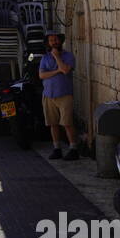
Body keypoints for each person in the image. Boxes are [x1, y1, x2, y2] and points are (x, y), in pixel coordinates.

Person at [38, 32, 78, 160]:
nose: (54, 42)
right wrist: (56, 71)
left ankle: (73, 149)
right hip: (49, 95)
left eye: (56, 40)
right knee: (53, 123)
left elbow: (66, 70)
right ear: (48, 43)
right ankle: (57, 148)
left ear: (60, 41)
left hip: (65, 94)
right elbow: (42, 75)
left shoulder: (68, 56)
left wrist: (57, 57)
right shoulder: (45, 58)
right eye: (51, 40)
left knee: (67, 123)